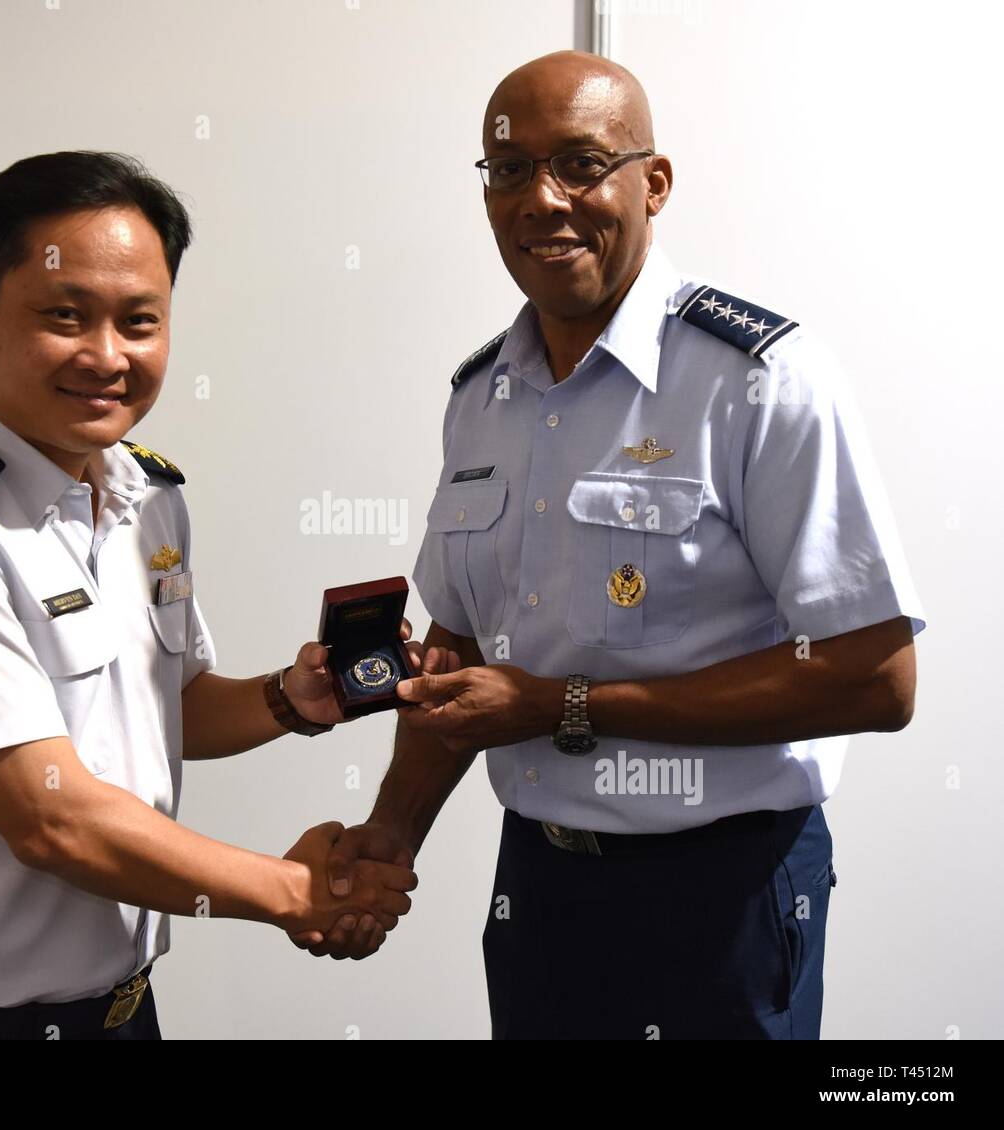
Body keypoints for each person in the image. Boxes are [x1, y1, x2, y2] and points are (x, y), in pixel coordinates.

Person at [297, 51, 925, 1040]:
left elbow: (874, 679)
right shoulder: (481, 397)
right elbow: (458, 646)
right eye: (509, 171)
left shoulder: (759, 380)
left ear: (654, 182)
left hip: (724, 891)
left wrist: (562, 705)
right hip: (541, 887)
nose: (542, 200)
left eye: (580, 164)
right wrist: (387, 835)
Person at [0, 151, 430, 1041]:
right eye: (65, 317)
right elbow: (50, 818)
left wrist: (290, 702)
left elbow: (165, 704)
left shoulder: (147, 495)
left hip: (121, 1015)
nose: (107, 356)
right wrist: (300, 892)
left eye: (140, 322)